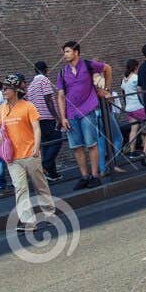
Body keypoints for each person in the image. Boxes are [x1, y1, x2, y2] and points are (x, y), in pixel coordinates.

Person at [0, 74, 53, 235]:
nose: (3, 91)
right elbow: (2, 130)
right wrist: (0, 139)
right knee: (20, 188)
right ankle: (28, 222)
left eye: (6, 88)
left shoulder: (28, 106)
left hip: (30, 153)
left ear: (15, 90)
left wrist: (36, 146)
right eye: (3, 88)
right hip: (12, 157)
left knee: (39, 184)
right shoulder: (2, 110)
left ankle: (48, 212)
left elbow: (36, 128)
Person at [55, 41, 107, 190]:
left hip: (87, 110)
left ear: (76, 52)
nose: (65, 55)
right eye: (64, 52)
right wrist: (63, 117)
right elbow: (60, 96)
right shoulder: (62, 73)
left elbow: (107, 68)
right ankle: (85, 176)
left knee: (91, 144)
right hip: (71, 114)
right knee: (76, 146)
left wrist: (106, 88)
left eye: (67, 51)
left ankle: (95, 176)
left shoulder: (88, 64)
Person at [28, 61, 63, 183]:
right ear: (46, 70)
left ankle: (52, 174)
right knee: (57, 141)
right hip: (48, 118)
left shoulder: (31, 85)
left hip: (37, 120)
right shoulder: (44, 80)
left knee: (47, 145)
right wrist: (57, 117)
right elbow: (48, 99)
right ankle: (44, 166)